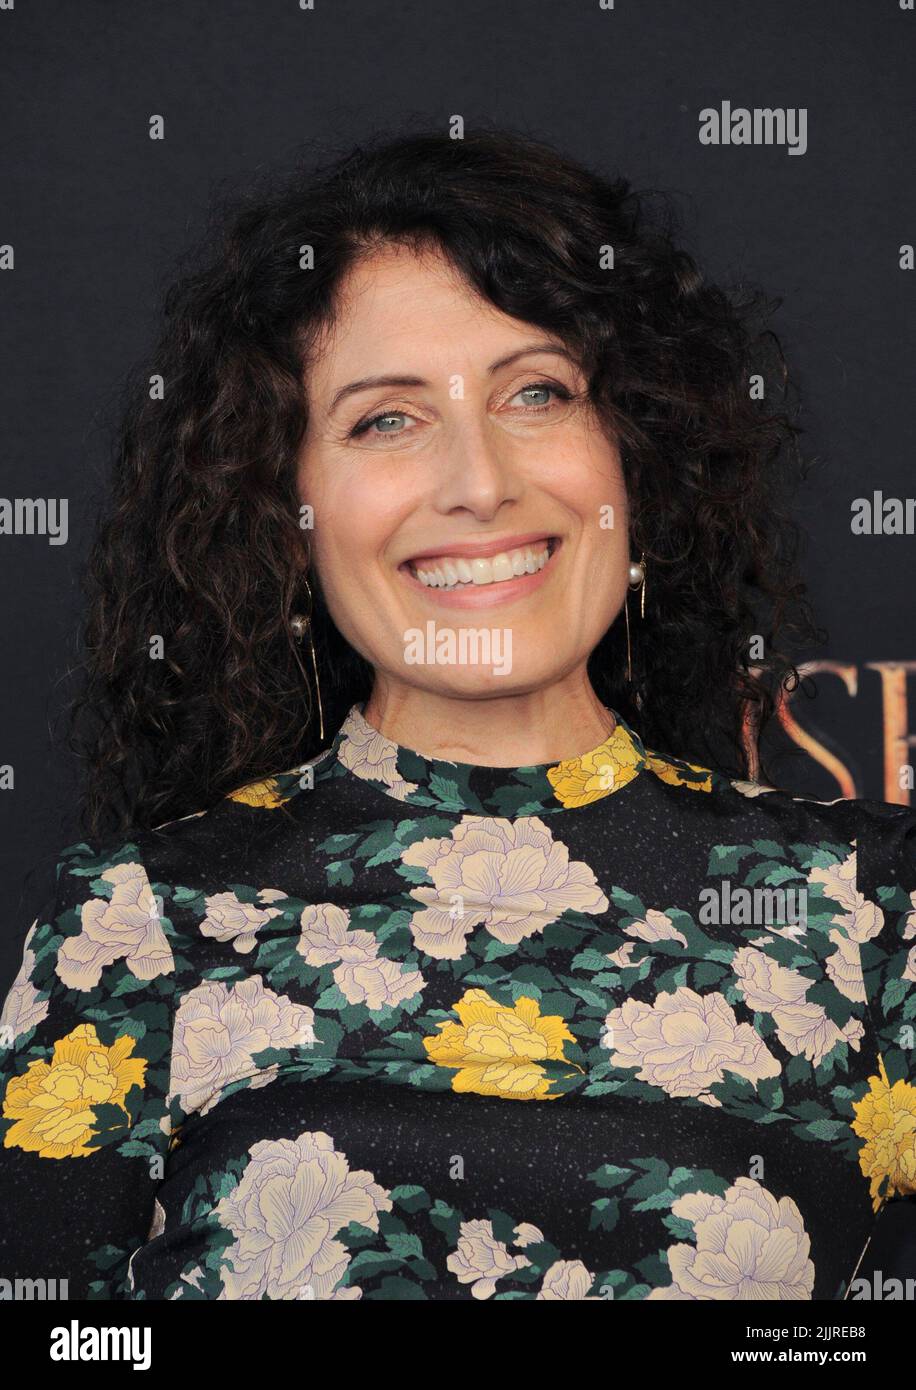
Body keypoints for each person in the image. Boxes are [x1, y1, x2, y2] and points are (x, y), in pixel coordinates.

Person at [1, 129, 913, 1301]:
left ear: (633, 455)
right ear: (291, 506)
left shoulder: (864, 911)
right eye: (385, 418)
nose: (479, 480)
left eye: (536, 392)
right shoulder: (138, 924)